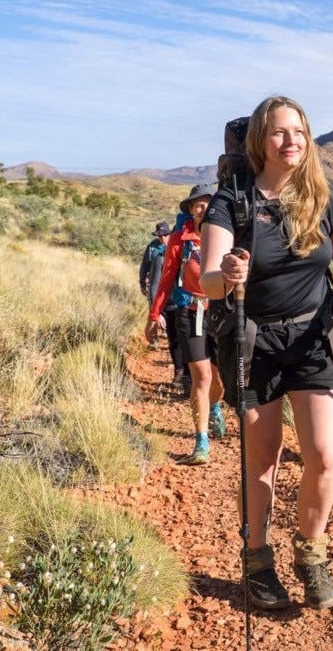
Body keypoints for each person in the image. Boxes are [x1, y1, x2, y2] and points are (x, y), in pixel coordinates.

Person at [200, 95, 333, 611]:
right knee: (263, 458)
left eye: (300, 132)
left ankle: (310, 553)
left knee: (324, 457)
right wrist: (228, 276)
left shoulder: (326, 199)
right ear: (260, 139)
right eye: (281, 132)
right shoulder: (231, 202)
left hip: (313, 338)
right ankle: (257, 560)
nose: (293, 142)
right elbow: (208, 279)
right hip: (253, 343)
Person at [146, 184, 228, 464]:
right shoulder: (180, 240)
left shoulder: (227, 237)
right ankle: (201, 441)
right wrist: (154, 315)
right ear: (191, 209)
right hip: (189, 311)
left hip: (221, 313)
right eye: (198, 204)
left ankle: (215, 406)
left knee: (220, 380)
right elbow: (167, 278)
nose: (203, 208)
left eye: (208, 203)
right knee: (201, 377)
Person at [139, 221, 187, 384]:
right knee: (174, 339)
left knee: (187, 340)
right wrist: (156, 312)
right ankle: (180, 373)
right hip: (168, 304)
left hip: (186, 303)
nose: (163, 239)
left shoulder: (187, 253)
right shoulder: (157, 255)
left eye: (165, 235)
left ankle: (189, 374)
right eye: (160, 236)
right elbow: (154, 284)